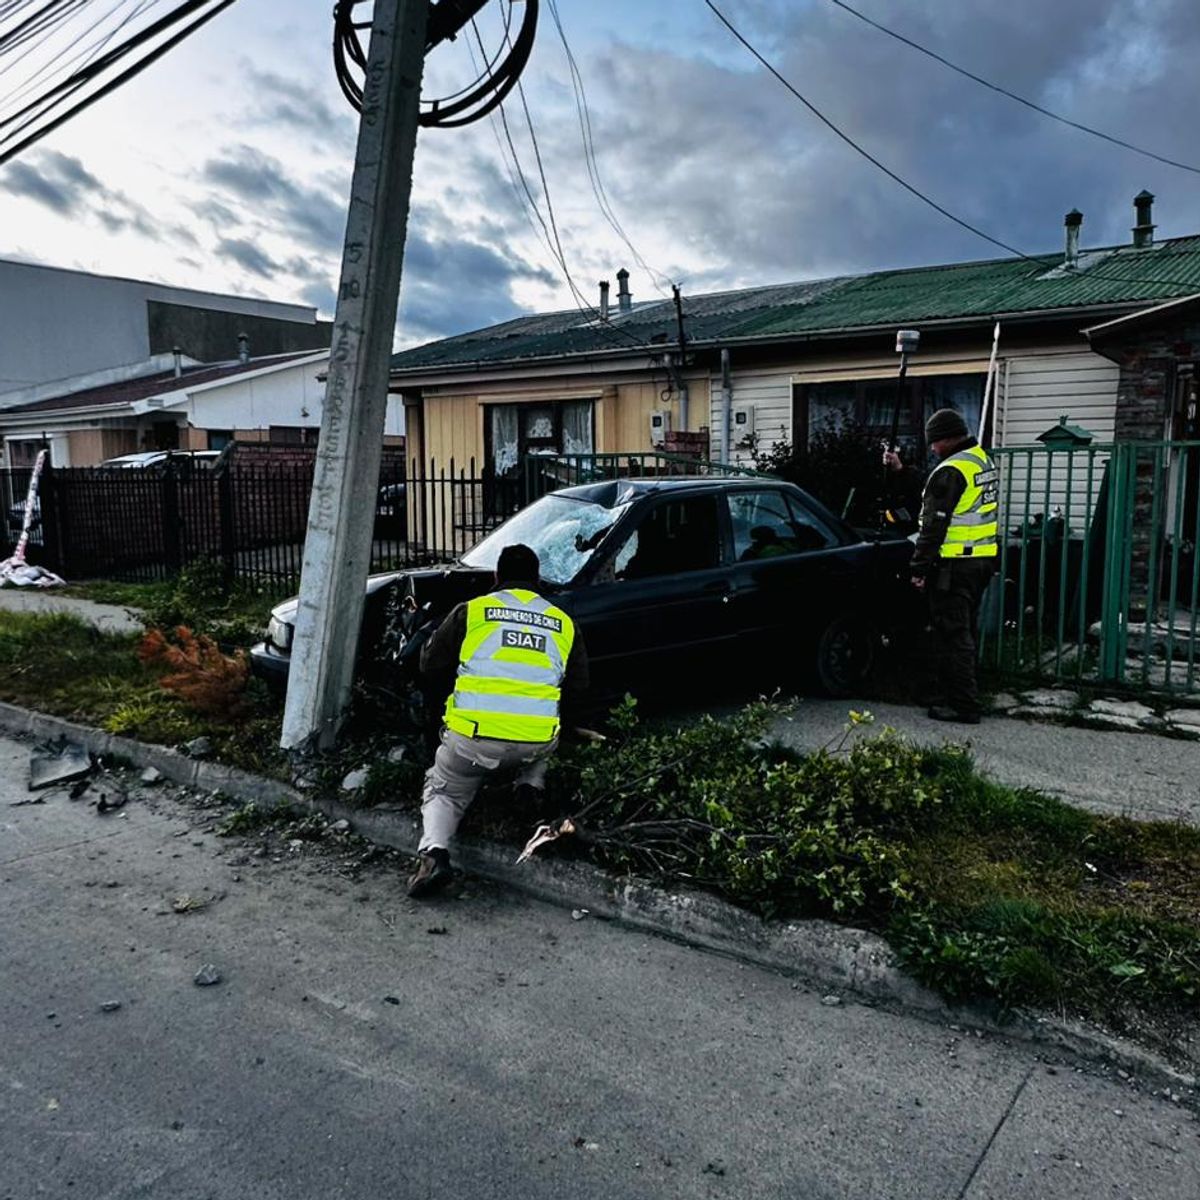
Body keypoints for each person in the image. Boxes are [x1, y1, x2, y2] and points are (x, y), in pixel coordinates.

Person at [406, 543, 589, 897]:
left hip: (474, 742)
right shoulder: (564, 623)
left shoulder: (473, 610)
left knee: (445, 789)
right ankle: (529, 786)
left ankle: (434, 854)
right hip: (536, 740)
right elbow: (578, 688)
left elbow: (429, 664)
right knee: (547, 738)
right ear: (537, 578)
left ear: (496, 576)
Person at [904, 408, 998, 724]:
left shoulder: (952, 469)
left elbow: (934, 525)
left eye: (934, 442)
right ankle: (962, 692)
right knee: (965, 630)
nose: (932, 448)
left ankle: (963, 705)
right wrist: (903, 470)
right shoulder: (981, 460)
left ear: (947, 438)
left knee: (953, 635)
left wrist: (919, 568)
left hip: (954, 565)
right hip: (981, 560)